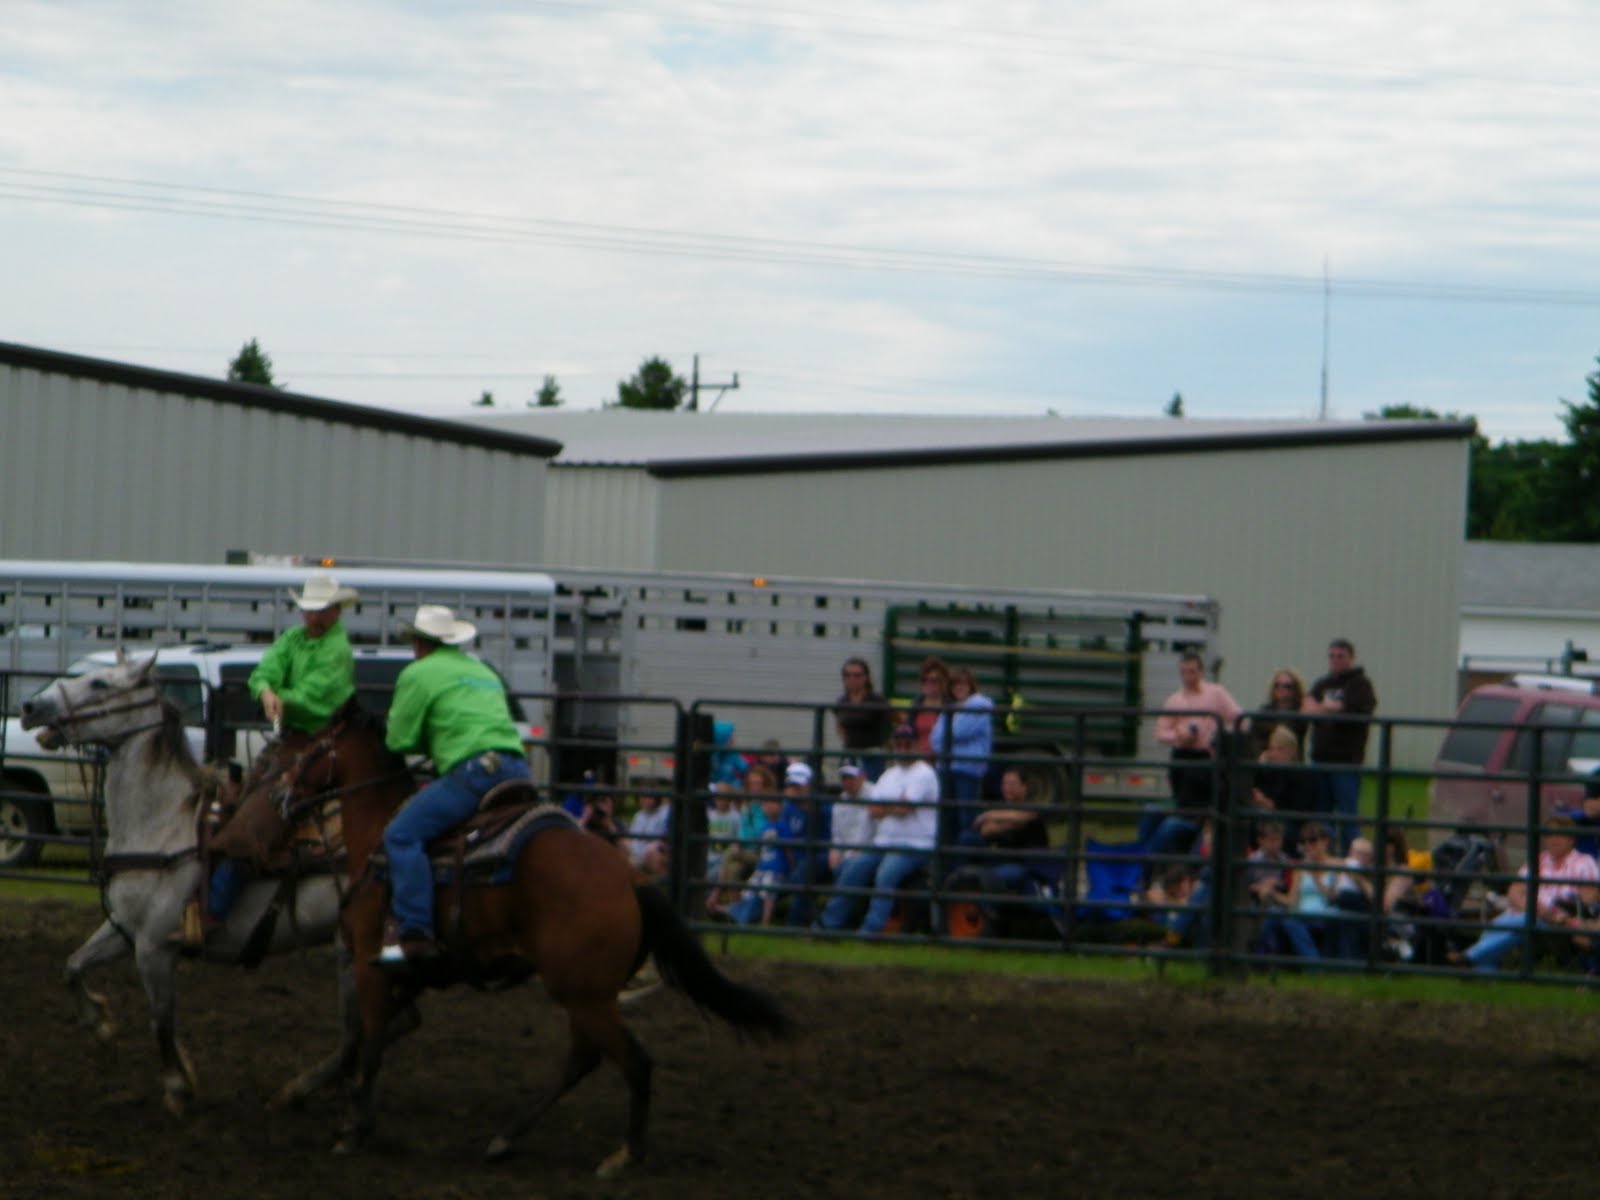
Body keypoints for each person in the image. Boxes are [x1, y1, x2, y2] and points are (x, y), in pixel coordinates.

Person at [374, 604, 532, 968]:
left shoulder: (418, 673)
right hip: (516, 768)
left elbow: (398, 740)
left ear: (419, 643)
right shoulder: (482, 670)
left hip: (473, 771)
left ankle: (415, 929)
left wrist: (429, 742)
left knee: (401, 835)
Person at [202, 572, 359, 937]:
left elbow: (314, 697)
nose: (312, 617)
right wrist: (265, 691)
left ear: (336, 611)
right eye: (308, 610)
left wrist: (278, 695)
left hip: (319, 745)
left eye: (320, 610)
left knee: (258, 817)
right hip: (291, 741)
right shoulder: (294, 638)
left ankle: (214, 909)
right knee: (234, 801)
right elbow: (264, 671)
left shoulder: (337, 650)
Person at [816, 724, 939, 934]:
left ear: (917, 745)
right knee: (852, 869)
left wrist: (889, 807)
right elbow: (873, 809)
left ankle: (870, 931)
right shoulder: (889, 774)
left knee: (885, 875)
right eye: (898, 744)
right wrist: (896, 806)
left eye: (907, 744)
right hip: (883, 842)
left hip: (915, 844)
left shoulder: (924, 773)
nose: (902, 749)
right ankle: (827, 925)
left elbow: (905, 808)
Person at [1452, 815, 1600, 974]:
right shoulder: (1538, 860)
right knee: (1508, 923)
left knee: (1516, 923)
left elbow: (1589, 900)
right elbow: (1514, 892)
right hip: (1528, 912)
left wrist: (1554, 913)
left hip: (1558, 919)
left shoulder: (1584, 862)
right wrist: (1533, 908)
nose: (1553, 840)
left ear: (1571, 839)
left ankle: (1469, 958)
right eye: (1549, 835)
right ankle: (1481, 969)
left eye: (1559, 835)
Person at [1145, 653, 1243, 876]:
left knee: (1205, 810)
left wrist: (1225, 738)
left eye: (1192, 671)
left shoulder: (1216, 693)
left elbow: (1238, 717)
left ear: (1201, 672)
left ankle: (1192, 856)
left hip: (1206, 758)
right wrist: (1178, 736)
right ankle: (1171, 862)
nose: (1188, 677)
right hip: (1183, 757)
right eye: (1183, 672)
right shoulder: (1175, 700)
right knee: (1182, 809)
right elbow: (1160, 732)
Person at [1304, 638, 1378, 853]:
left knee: (1348, 816)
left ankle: (1351, 860)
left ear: (1351, 658)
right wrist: (1333, 707)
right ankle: (1324, 858)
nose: (1335, 660)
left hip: (1346, 761)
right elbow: (1307, 707)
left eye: (1340, 656)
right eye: (1332, 656)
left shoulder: (1360, 684)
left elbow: (1358, 712)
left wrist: (1326, 708)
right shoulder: (1322, 683)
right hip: (1320, 759)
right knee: (1321, 816)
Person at [929, 665, 994, 842]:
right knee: (947, 817)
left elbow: (958, 732)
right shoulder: (949, 708)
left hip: (968, 769)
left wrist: (946, 739)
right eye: (955, 684)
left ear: (971, 686)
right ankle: (949, 855)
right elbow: (934, 739)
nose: (959, 688)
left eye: (963, 684)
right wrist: (947, 738)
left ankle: (967, 854)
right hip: (946, 768)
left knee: (967, 817)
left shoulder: (980, 705)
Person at [834, 657, 893, 780]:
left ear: (866, 677)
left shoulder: (877, 701)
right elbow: (839, 724)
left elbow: (897, 720)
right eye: (848, 675)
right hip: (850, 754)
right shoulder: (842, 701)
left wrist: (887, 746)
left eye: (857, 675)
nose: (852, 679)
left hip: (872, 755)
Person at [827, 762, 877, 877]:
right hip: (848, 854)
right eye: (844, 778)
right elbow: (837, 837)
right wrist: (834, 852)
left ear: (862, 776)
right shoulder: (840, 803)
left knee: (850, 869)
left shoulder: (875, 795)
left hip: (870, 852)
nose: (847, 782)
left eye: (851, 778)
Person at [1250, 669, 1308, 759]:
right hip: (1266, 759)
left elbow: (1292, 732)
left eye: (1287, 686)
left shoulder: (1300, 712)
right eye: (1277, 685)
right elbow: (1255, 736)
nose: (1281, 689)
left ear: (1295, 689)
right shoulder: (1264, 711)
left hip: (1291, 761)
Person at [622, 790, 672, 881]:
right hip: (637, 852)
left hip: (655, 851)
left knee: (651, 851)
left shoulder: (663, 812)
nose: (646, 801)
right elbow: (632, 838)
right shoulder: (638, 816)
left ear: (656, 798)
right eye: (643, 797)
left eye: (649, 797)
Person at [907, 656, 952, 756]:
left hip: (942, 758)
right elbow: (909, 733)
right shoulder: (916, 704)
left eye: (934, 680)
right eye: (925, 680)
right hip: (918, 758)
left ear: (943, 682)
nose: (928, 683)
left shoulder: (950, 706)